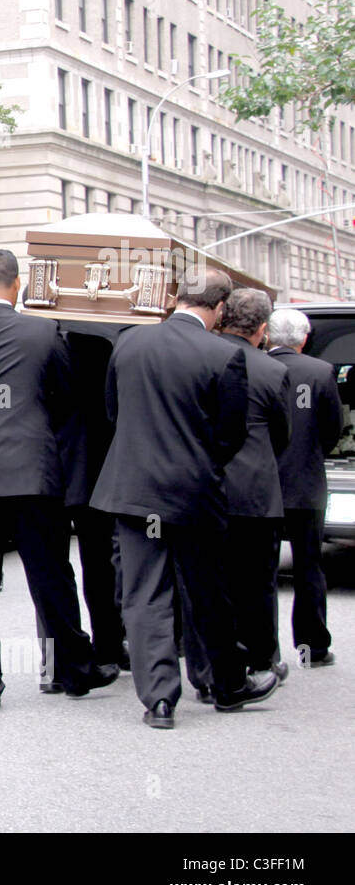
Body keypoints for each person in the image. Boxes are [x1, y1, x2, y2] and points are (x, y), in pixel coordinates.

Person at [91, 269, 279, 729]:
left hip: (134, 490)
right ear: (218, 309)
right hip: (192, 491)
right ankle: (223, 683)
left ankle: (158, 698)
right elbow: (229, 435)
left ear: (176, 299)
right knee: (205, 592)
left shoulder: (129, 343)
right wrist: (198, 462)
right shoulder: (222, 355)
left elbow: (113, 413)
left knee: (144, 593)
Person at [0, 249, 114, 713]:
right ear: (17, 285)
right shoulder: (42, 331)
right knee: (51, 575)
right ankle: (74, 671)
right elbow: (66, 395)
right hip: (34, 469)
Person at [46, 327, 127, 690]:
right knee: (99, 565)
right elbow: (113, 408)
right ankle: (108, 647)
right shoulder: (98, 347)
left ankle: (56, 663)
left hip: (50, 469)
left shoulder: (35, 342)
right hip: (94, 466)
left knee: (51, 571)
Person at [218, 288, 291, 691]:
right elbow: (282, 435)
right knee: (258, 582)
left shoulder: (203, 358)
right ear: (262, 329)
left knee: (215, 579)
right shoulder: (272, 371)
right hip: (257, 490)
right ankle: (262, 659)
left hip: (209, 488)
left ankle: (219, 657)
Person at [268, 307, 343, 668]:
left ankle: (263, 650)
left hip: (262, 485)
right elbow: (332, 428)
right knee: (309, 567)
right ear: (304, 338)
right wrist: (311, 454)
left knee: (259, 571)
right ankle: (312, 647)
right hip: (305, 483)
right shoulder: (319, 372)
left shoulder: (253, 366)